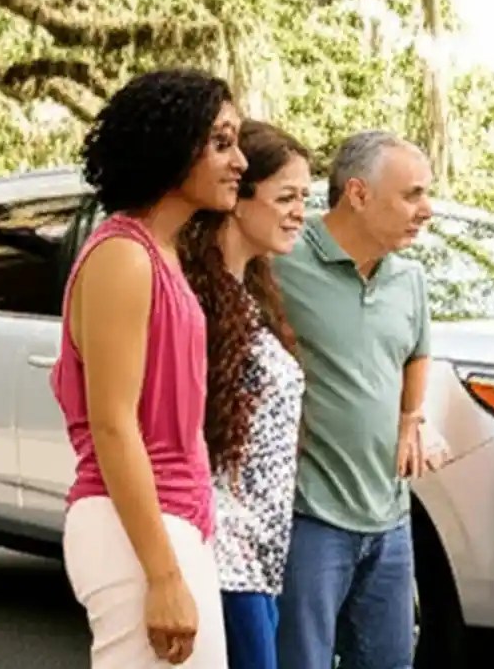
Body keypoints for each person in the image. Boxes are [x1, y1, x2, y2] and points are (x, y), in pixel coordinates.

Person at [53, 68, 248, 668]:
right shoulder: (123, 256)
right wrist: (163, 574)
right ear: (170, 147)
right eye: (221, 142)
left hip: (169, 520)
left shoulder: (163, 255)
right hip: (132, 527)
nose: (240, 159)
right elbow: (113, 425)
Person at [273, 130, 438, 668]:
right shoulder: (281, 260)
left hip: (390, 519)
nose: (426, 210)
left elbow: (417, 351)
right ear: (358, 194)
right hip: (311, 515)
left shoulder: (409, 278)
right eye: (412, 194)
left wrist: (412, 415)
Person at [178, 120, 311, 668]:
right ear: (237, 199)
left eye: (305, 196)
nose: (300, 211)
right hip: (222, 556)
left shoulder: (253, 295)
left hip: (261, 558)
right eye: (285, 196)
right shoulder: (195, 301)